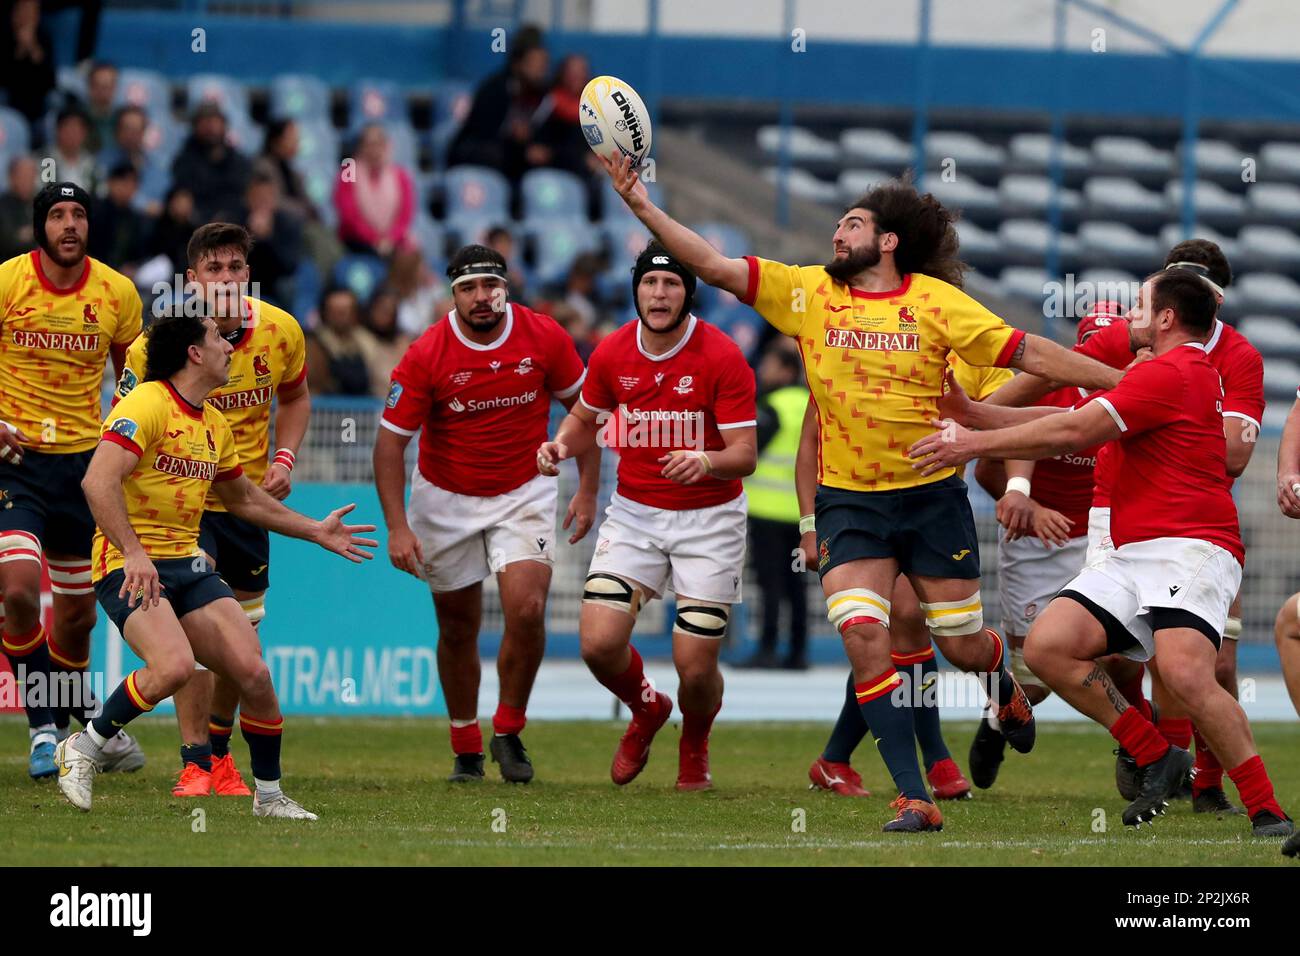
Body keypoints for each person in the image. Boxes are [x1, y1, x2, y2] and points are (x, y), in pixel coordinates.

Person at [600, 156, 1120, 831]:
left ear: (888, 241)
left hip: (933, 500)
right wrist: (642, 205)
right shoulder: (808, 292)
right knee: (864, 634)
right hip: (852, 503)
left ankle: (1002, 687)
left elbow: (1031, 356)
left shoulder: (936, 305)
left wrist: (1122, 382)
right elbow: (717, 266)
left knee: (960, 644)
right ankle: (915, 796)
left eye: (851, 225)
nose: (837, 235)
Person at [909, 269, 1293, 840]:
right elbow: (1065, 419)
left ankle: (1266, 808)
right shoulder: (1163, 369)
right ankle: (1154, 752)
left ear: (1166, 318)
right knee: (1047, 646)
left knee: (1188, 673)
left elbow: (1071, 431)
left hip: (1192, 545)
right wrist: (979, 415)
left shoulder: (1174, 370)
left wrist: (971, 442)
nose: (1127, 316)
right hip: (1134, 549)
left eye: (1140, 305)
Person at [983, 241, 1263, 816]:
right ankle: (1152, 751)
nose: (1138, 312)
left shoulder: (1234, 356)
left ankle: (1204, 783)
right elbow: (1046, 383)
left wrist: (1142, 403)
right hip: (1113, 518)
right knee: (1077, 655)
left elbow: (1233, 455)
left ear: (1203, 298)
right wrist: (975, 414)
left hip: (1193, 527)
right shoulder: (1137, 343)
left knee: (1201, 665)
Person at [56, 312, 372, 817]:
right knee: (175, 667)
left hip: (187, 563)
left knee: (255, 674)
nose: (230, 347)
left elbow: (243, 500)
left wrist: (314, 529)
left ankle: (269, 798)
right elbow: (97, 481)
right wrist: (135, 553)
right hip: (127, 562)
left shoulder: (213, 421)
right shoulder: (144, 404)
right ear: (194, 354)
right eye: (217, 340)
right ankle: (85, 746)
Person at [538, 241, 758, 791]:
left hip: (710, 521)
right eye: (650, 284)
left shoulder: (722, 355)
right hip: (635, 515)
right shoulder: (613, 352)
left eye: (672, 284)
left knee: (696, 665)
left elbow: (745, 456)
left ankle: (695, 744)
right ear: (636, 289)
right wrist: (560, 446)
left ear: (688, 293)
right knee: (598, 643)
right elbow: (585, 417)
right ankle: (647, 709)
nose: (659, 294)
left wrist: (705, 459)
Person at [375, 243, 598, 783]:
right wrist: (398, 527)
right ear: (452, 295)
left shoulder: (543, 336)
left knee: (526, 609)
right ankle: (465, 746)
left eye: (489, 286)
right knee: (458, 628)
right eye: (468, 288)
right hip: (445, 498)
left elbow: (588, 412)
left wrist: (587, 489)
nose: (481, 298)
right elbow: (388, 445)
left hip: (524, 490)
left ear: (506, 288)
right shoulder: (427, 352)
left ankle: (508, 730)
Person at [114, 222, 310, 798]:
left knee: (240, 642)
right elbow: (126, 422)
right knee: (197, 627)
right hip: (182, 507)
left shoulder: (282, 331)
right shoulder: (159, 344)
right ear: (193, 278)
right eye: (214, 270)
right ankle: (194, 759)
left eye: (235, 268)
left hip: (245, 502)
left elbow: (296, 397)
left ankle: (220, 754)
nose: (226, 279)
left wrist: (286, 456)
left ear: (248, 274)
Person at [804, 348, 1014, 802]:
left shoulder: (977, 358)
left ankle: (837, 758)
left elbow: (1007, 420)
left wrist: (1019, 480)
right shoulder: (858, 342)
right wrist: (808, 526)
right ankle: (932, 763)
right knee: (884, 627)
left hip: (934, 508)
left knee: (936, 638)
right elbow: (810, 440)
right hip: (861, 509)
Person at [0, 182, 144, 780]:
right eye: (57, 215)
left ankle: (78, 723)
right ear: (40, 226)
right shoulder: (8, 281)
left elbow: (133, 369)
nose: (68, 225)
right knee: (15, 591)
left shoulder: (118, 292)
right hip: (16, 463)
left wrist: (124, 427)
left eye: (79, 215)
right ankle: (44, 725)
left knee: (80, 616)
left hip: (85, 471)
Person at [966, 304, 1117, 790]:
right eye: (1094, 348)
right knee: (1037, 670)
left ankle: (1147, 748)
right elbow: (991, 466)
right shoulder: (1050, 390)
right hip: (1037, 546)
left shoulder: (1138, 394)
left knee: (1122, 651)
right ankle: (996, 722)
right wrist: (1023, 507)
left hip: (1102, 542)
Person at [738, 342, 808, 670]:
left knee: (770, 584)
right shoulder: (813, 404)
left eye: (770, 365)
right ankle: (797, 653)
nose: (763, 370)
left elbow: (749, 453)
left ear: (787, 371)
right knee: (796, 585)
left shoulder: (770, 406)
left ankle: (767, 648)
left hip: (767, 511)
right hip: (801, 513)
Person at [448, 24, 550, 181]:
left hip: (516, 156)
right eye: (535, 64)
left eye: (544, 65)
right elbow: (482, 134)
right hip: (479, 151)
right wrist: (514, 136)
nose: (541, 71)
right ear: (518, 64)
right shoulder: (495, 89)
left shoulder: (544, 94)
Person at [333, 124, 415, 257]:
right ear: (360, 147)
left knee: (411, 254)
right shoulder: (348, 171)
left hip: (391, 241)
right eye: (369, 144)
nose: (374, 149)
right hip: (357, 240)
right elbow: (349, 215)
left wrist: (390, 239)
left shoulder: (400, 175)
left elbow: (405, 215)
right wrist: (374, 239)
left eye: (378, 144)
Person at [170, 103, 252, 223]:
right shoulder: (184, 161)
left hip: (234, 222)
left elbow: (242, 195)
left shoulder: (239, 161)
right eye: (205, 122)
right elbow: (182, 194)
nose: (211, 128)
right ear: (195, 127)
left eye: (215, 122)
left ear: (224, 125)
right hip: (196, 225)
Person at [240, 170, 302, 308]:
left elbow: (289, 266)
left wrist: (267, 239)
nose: (263, 202)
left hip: (276, 283)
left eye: (267, 197)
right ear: (248, 199)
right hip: (247, 282)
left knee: (289, 286)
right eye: (258, 197)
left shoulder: (288, 223)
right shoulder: (237, 223)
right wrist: (251, 236)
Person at [0, 0, 56, 146]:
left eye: (33, 12)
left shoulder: (44, 37)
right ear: (14, 13)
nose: (28, 16)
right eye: (24, 10)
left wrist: (32, 49)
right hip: (8, 97)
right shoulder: (4, 36)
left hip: (37, 99)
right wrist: (19, 49)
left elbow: (50, 80)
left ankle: (41, 154)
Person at [306, 286, 379, 396]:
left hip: (364, 406)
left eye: (346, 311)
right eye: (336, 311)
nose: (342, 316)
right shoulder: (314, 343)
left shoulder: (367, 340)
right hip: (327, 408)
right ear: (325, 312)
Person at [87, 162, 150, 275]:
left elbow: (139, 253)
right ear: (110, 182)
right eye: (124, 182)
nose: (128, 188)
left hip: (125, 275)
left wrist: (133, 266)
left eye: (133, 183)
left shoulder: (135, 218)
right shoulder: (95, 211)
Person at [46, 106, 97, 192]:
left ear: (85, 134)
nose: (72, 135)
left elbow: (98, 195)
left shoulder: (92, 163)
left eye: (77, 130)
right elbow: (43, 192)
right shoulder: (46, 160)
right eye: (68, 129)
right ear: (58, 130)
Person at [0, 154, 39, 261]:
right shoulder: (3, 206)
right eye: (22, 176)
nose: (27, 181)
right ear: (11, 178)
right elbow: (8, 242)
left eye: (30, 176)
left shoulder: (41, 202)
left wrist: (29, 233)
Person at [82, 61, 119, 155]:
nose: (102, 91)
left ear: (115, 87)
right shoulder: (77, 119)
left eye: (107, 86)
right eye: (97, 85)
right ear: (89, 86)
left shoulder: (122, 121)